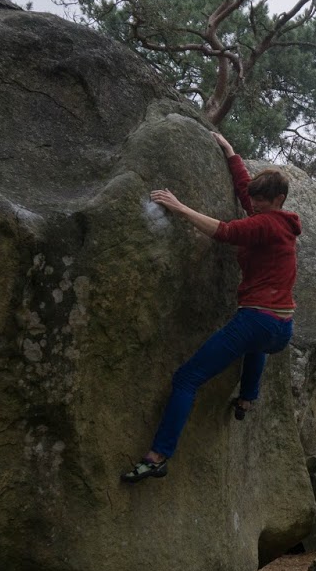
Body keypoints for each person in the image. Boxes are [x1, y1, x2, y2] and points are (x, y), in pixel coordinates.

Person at [122, 131, 301, 484]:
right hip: (281, 328)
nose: (257, 205)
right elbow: (245, 190)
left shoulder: (264, 223)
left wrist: (178, 206)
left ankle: (158, 456)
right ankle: (247, 398)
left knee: (187, 378)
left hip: (257, 319)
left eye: (263, 201)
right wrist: (231, 152)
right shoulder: (277, 222)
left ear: (277, 200)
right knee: (256, 345)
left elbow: (224, 231)